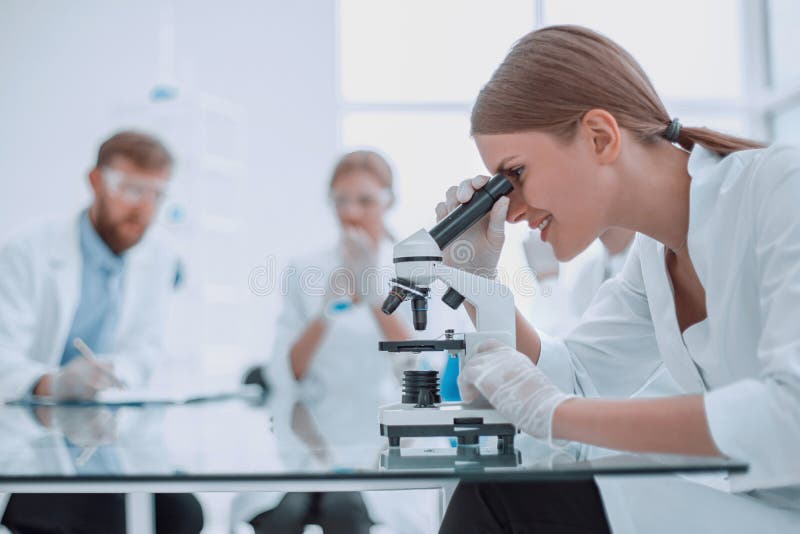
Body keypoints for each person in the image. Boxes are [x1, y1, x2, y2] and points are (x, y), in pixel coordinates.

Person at [435, 25, 800, 534]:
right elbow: (575, 380)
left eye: (514, 175)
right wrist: (475, 282)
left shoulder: (783, 187)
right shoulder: (655, 257)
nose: (510, 210)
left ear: (600, 137)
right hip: (765, 509)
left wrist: (556, 413)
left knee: (506, 497)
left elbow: (792, 415)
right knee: (499, 491)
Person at [233, 150, 459, 534]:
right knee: (282, 516)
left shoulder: (418, 269)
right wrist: (325, 313)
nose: (351, 211)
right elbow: (285, 373)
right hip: (311, 431)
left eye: (365, 200)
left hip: (383, 433)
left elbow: (422, 368)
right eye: (341, 200)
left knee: (348, 511)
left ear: (390, 200)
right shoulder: (305, 269)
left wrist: (373, 295)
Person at [0, 130, 202, 534]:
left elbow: (144, 349)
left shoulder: (158, 257)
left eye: (155, 194)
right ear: (95, 181)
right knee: (89, 520)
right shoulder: (27, 250)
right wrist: (54, 383)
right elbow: (3, 355)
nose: (143, 207)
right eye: (129, 189)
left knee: (182, 515)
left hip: (110, 436)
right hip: (33, 442)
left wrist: (112, 373)